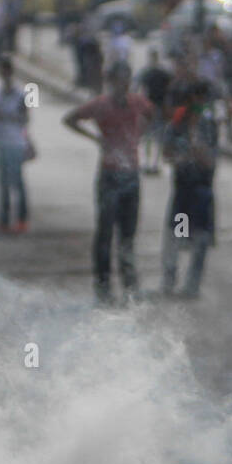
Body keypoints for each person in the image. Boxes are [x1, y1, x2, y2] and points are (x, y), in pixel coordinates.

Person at [63, 62, 154, 304]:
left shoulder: (136, 102)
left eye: (127, 80)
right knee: (105, 235)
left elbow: (154, 115)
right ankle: (103, 287)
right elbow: (70, 119)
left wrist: (139, 135)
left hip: (131, 174)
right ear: (112, 81)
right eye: (119, 80)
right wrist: (97, 139)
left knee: (128, 235)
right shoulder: (101, 104)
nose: (123, 85)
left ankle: (130, 286)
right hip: (110, 175)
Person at [161, 80, 218, 298]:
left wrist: (197, 144)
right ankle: (169, 280)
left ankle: (192, 285)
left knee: (200, 241)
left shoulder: (210, 124)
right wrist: (181, 156)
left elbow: (210, 161)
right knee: (176, 237)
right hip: (183, 192)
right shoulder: (177, 124)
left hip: (201, 192)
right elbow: (167, 153)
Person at [0, 57, 29, 234]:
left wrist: (5, 116)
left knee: (17, 183)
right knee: (3, 183)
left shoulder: (22, 93)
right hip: (1, 141)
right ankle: (3, 220)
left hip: (16, 141)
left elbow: (26, 119)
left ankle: (21, 219)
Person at [137, 49, 171, 173]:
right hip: (153, 107)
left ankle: (152, 163)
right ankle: (152, 163)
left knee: (153, 137)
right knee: (153, 137)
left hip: (156, 107)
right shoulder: (156, 73)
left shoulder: (150, 73)